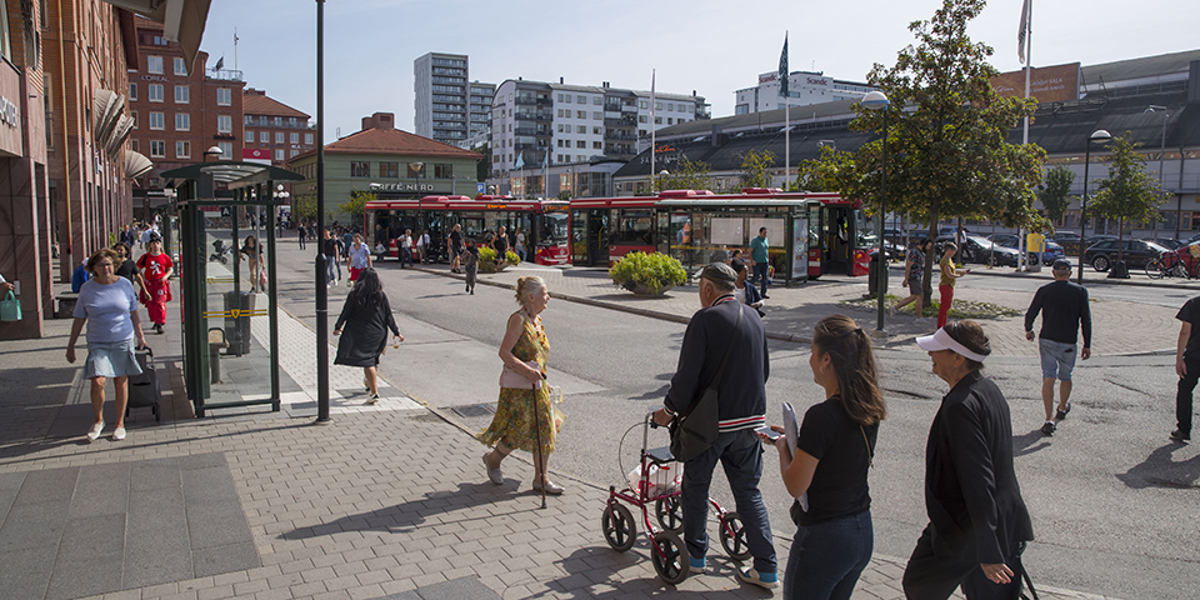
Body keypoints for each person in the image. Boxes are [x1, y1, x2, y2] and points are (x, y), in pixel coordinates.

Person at [652, 263, 777, 589]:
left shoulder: (704, 320)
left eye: (699, 288)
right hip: (750, 424)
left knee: (695, 487)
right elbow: (763, 372)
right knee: (749, 493)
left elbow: (686, 378)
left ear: (708, 288)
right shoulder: (754, 317)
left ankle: (695, 556)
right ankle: (766, 567)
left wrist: (667, 412)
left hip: (711, 426)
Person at [758, 314, 886, 600]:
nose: (810, 361)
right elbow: (838, 454)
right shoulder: (868, 406)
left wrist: (782, 447)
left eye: (813, 353)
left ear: (827, 359)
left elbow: (796, 485)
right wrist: (802, 444)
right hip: (861, 529)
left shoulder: (822, 416)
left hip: (826, 536)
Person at [905, 321, 1034, 600]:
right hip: (988, 524)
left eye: (937, 350)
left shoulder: (961, 406)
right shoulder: (988, 389)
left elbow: (978, 479)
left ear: (958, 357)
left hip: (971, 531)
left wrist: (988, 550)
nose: (931, 356)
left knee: (919, 584)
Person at [480, 276, 565, 494]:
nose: (548, 297)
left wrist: (537, 374)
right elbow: (504, 353)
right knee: (516, 433)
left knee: (545, 430)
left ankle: (541, 479)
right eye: (544, 293)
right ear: (531, 297)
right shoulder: (518, 320)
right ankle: (493, 460)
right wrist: (527, 371)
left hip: (538, 387)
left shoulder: (537, 320)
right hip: (519, 390)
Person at [66, 249, 148, 442]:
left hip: (122, 338)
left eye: (109, 264)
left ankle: (119, 423)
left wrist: (141, 337)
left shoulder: (125, 284)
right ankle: (98, 420)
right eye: (102, 265)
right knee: (98, 380)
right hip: (98, 341)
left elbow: (134, 313)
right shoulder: (88, 289)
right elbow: (79, 318)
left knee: (120, 381)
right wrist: (71, 345)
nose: (106, 268)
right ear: (93, 268)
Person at [1024, 259, 1092, 436]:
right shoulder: (1080, 292)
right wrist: (1087, 344)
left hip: (1047, 338)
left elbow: (1031, 312)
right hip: (1069, 341)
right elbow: (1086, 319)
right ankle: (1062, 407)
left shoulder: (1045, 291)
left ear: (1053, 273)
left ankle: (1048, 419)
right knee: (1066, 375)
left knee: (1048, 376)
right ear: (1070, 274)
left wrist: (1029, 329)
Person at [333, 268, 403, 404]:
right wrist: (397, 332)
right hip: (379, 333)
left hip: (362, 333)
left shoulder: (355, 295)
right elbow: (389, 316)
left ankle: (374, 392)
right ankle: (369, 382)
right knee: (373, 359)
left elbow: (345, 312)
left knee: (368, 361)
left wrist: (338, 327)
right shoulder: (380, 295)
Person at [1172, 295, 1200, 444]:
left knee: (1185, 389)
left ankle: (1183, 429)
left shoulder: (1193, 304)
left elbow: (1185, 332)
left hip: (1194, 357)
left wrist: (1179, 357)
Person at [136, 233, 174, 334]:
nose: (156, 245)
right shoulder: (145, 257)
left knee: (159, 302)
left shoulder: (164, 257)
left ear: (160, 245)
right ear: (150, 245)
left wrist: (165, 277)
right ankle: (156, 321)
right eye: (154, 243)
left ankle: (160, 323)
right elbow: (138, 268)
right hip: (150, 283)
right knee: (151, 303)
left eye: (157, 243)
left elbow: (170, 269)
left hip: (160, 283)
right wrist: (143, 278)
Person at [892, 238, 933, 320]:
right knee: (920, 296)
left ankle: (895, 308)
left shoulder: (920, 252)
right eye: (928, 246)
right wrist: (906, 278)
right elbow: (908, 265)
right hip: (914, 276)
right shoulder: (915, 252)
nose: (929, 248)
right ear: (924, 245)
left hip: (917, 276)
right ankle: (919, 317)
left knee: (914, 296)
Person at [936, 242, 969, 329]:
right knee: (944, 307)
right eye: (954, 251)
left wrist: (961, 272)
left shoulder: (949, 259)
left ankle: (943, 325)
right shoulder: (945, 261)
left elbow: (952, 272)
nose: (954, 253)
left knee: (947, 306)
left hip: (950, 285)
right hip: (946, 285)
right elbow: (949, 275)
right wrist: (959, 276)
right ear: (949, 250)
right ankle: (940, 326)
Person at [750, 227, 771, 299]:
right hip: (757, 262)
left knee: (765, 278)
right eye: (764, 233)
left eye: (766, 233)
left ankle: (763, 293)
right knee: (756, 277)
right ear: (760, 232)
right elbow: (750, 251)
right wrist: (752, 260)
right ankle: (748, 287)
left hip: (765, 261)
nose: (765, 235)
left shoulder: (766, 240)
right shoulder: (755, 240)